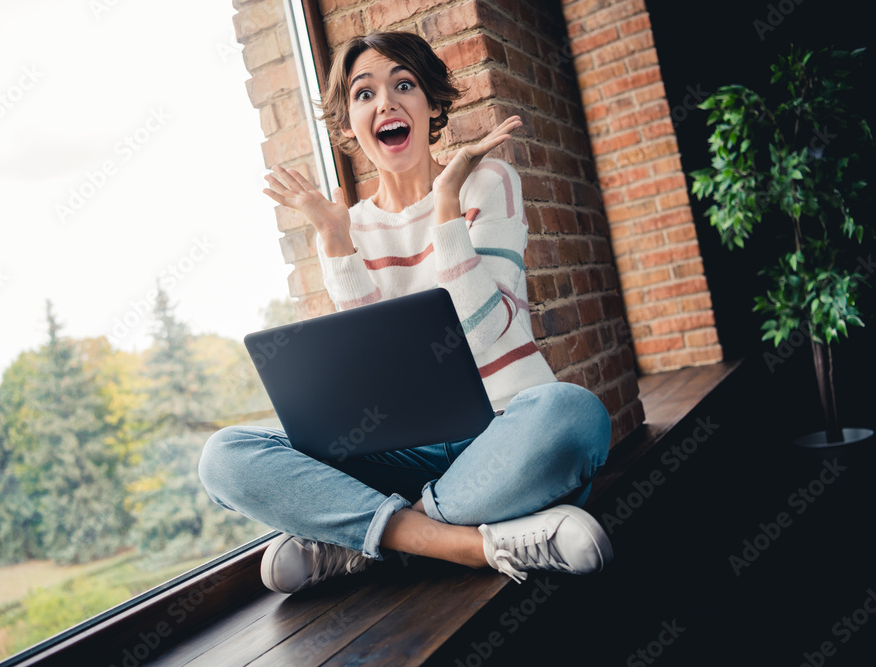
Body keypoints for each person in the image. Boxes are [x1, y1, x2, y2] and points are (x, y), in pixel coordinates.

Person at [199, 30, 613, 595]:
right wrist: (335, 238)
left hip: (500, 438)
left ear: (433, 104)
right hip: (401, 452)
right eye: (364, 94)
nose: (386, 103)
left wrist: (446, 208)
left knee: (574, 415)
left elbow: (488, 329)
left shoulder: (488, 183)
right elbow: (374, 376)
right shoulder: (349, 227)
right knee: (224, 457)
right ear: (348, 124)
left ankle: (365, 539)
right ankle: (474, 542)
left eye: (404, 85)